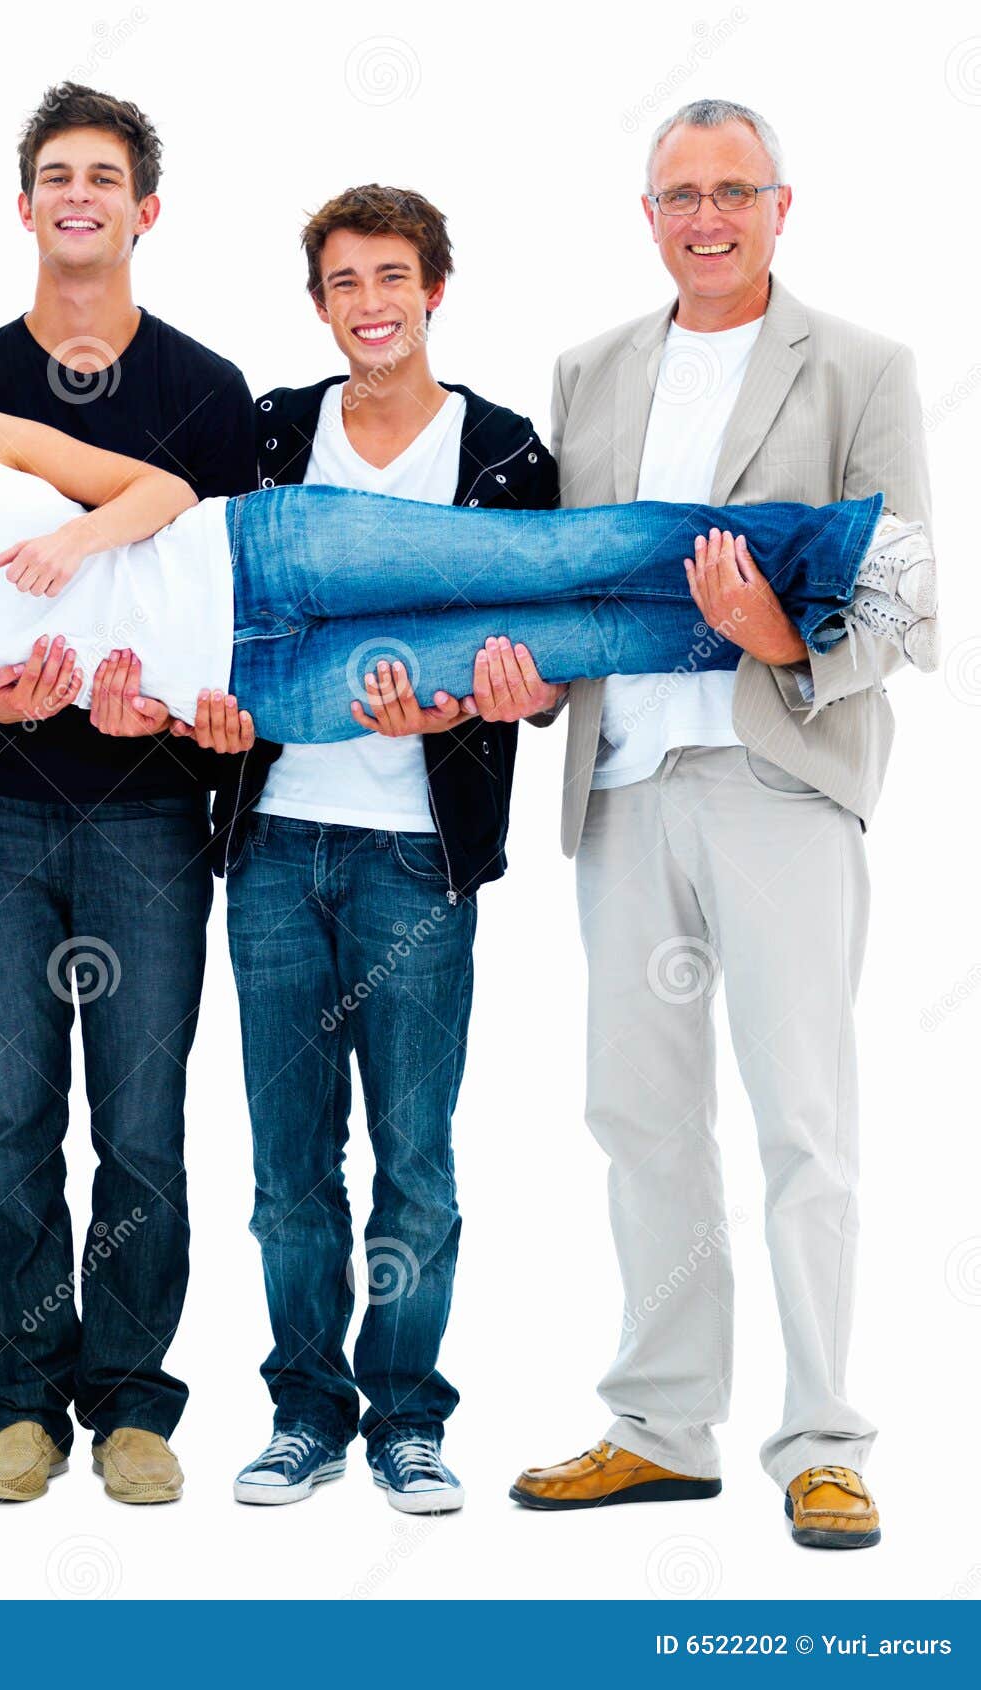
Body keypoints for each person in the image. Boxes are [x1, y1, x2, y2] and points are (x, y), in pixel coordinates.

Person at [506, 98, 935, 1551]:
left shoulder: (860, 368)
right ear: (646, 214)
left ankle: (822, 1439)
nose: (706, 215)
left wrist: (778, 634)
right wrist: (517, 677)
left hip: (778, 783)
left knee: (800, 1122)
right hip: (621, 789)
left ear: (778, 206)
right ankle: (658, 1427)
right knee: (637, 1118)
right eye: (679, 193)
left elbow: (908, 599)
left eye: (731, 191)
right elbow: (572, 586)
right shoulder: (587, 372)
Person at [0, 321, 928, 767]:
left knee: (551, 554)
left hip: (269, 554)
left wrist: (73, 552)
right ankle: (802, 626)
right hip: (248, 691)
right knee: (571, 634)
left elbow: (157, 491)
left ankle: (849, 556)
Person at [0, 85, 257, 1506]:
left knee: (141, 1124)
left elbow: (229, 610)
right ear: (24, 206)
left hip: (149, 814)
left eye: (103, 176)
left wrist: (186, 717)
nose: (77, 196)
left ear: (144, 210)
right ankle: (21, 1401)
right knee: (6, 1121)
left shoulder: (210, 392)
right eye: (55, 174)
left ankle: (129, 1403)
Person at [220, 185, 557, 1517]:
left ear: (435, 290)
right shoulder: (268, 434)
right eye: (345, 281)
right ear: (319, 304)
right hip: (274, 843)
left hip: (417, 858)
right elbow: (220, 610)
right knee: (287, 1161)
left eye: (392, 277)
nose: (370, 302)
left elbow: (544, 661)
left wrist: (477, 697)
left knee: (414, 1154)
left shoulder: (503, 454)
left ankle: (406, 1417)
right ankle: (304, 1407)